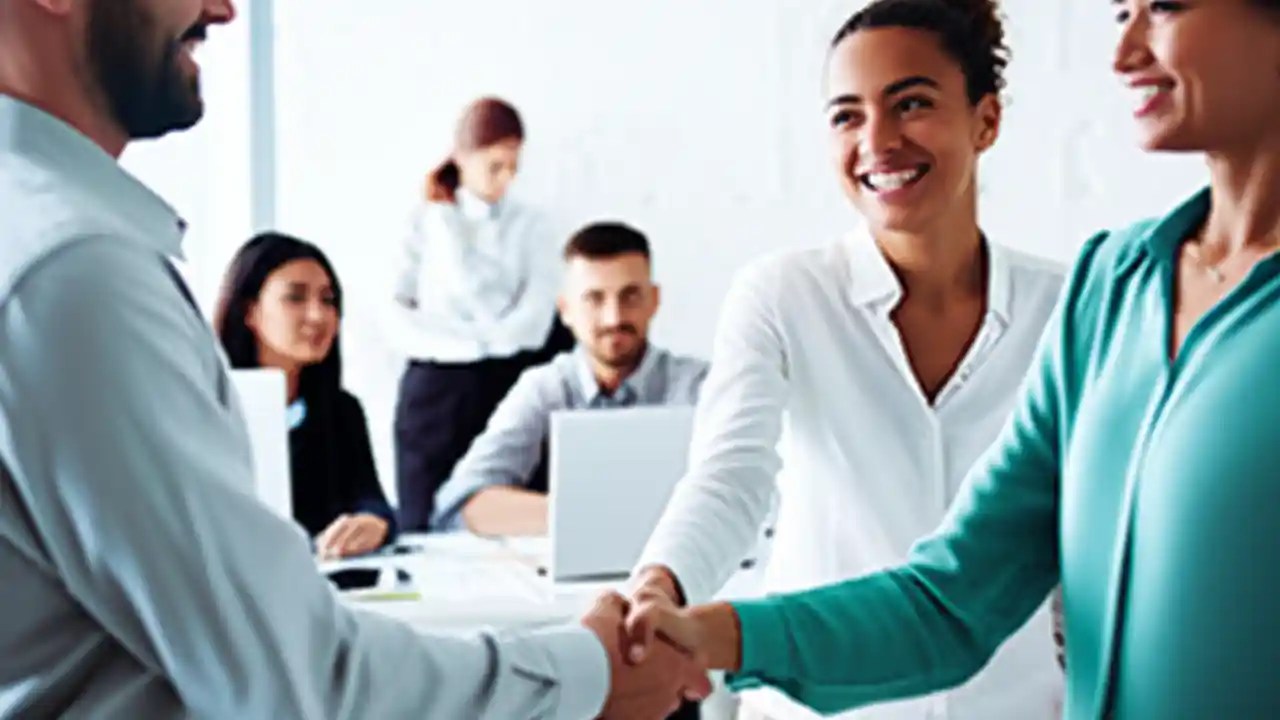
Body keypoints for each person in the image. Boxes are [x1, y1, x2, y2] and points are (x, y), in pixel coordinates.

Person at [0, 0, 708, 716]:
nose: (224, 8)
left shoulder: (40, 241)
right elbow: (298, 679)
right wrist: (588, 674)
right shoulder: (72, 272)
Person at [625, 0, 1280, 718]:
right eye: (1120, 12)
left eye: (1164, 6)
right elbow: (953, 597)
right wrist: (705, 630)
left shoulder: (1061, 295)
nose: (1122, 55)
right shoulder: (1110, 288)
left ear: (985, 121)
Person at [625, 1, 1065, 718]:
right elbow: (730, 478)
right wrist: (659, 585)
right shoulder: (783, 294)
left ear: (986, 120)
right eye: (846, 116)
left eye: (912, 104)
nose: (877, 142)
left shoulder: (1066, 308)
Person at [432, 221, 709, 536]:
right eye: (594, 299)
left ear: (654, 300)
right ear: (565, 309)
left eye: (630, 296)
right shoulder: (545, 387)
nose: (614, 318)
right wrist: (594, 517)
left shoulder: (703, 386)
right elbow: (460, 504)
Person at [391, 96, 575, 531]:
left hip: (511, 384)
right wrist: (481, 342)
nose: (506, 178)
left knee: (523, 520)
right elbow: (397, 319)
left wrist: (464, 336)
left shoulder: (533, 225)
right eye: (495, 166)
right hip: (436, 396)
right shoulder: (424, 222)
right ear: (462, 158)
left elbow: (534, 323)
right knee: (424, 526)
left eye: (514, 166)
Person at [215, 232, 397, 559]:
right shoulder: (210, 405)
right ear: (249, 311)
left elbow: (370, 499)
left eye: (328, 300)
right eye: (295, 298)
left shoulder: (341, 410)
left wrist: (374, 523)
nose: (318, 315)